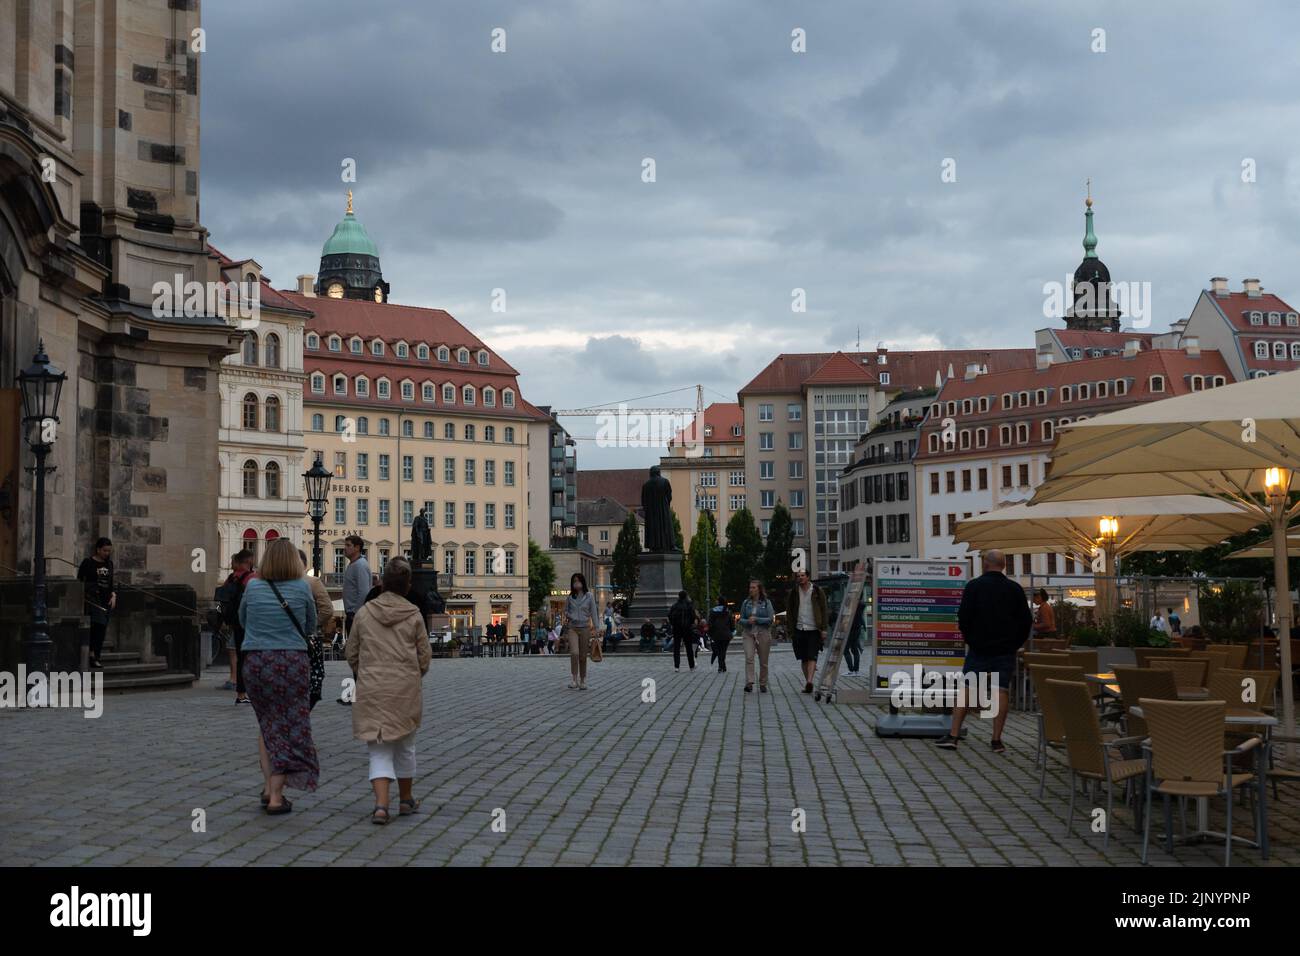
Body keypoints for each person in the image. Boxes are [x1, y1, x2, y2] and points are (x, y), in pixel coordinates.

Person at [345, 557, 431, 825]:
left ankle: (381, 806)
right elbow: (424, 656)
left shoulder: (365, 613)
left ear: (382, 583)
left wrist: (364, 673)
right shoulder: (414, 615)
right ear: (407, 586)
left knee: (378, 748)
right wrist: (414, 674)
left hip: (372, 687)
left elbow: (352, 652)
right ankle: (406, 799)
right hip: (404, 688)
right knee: (405, 745)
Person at [238, 539, 318, 814]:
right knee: (291, 725)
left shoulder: (253, 586)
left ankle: (267, 787)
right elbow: (310, 625)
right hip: (292, 661)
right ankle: (275, 796)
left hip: (257, 662)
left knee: (267, 725)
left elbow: (243, 620)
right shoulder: (302, 587)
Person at [936, 550, 1032, 754]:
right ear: (1004, 565)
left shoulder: (974, 586)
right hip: (1005, 650)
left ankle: (953, 735)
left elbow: (963, 617)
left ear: (985, 564)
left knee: (967, 689)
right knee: (1001, 690)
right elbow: (1025, 622)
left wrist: (971, 640)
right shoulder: (1014, 589)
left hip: (979, 648)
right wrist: (1013, 644)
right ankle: (997, 740)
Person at [215, 550, 256, 703]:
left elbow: (221, 601)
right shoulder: (252, 578)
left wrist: (222, 620)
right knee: (251, 658)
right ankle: (252, 691)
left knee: (240, 657)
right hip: (249, 623)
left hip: (234, 622)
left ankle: (241, 694)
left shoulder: (231, 578)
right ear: (248, 561)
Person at [339, 536, 371, 705]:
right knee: (355, 656)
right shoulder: (354, 565)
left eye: (348, 545)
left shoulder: (360, 566)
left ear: (357, 547)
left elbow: (364, 592)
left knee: (356, 656)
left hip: (356, 616)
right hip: (352, 614)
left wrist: (357, 614)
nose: (345, 548)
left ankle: (357, 694)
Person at [77, 537, 117, 670]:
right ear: (98, 549)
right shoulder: (88, 563)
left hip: (106, 600)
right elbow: (80, 580)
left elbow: (111, 583)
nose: (107, 553)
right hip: (93, 600)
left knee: (102, 629)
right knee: (97, 627)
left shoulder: (109, 564)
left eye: (109, 551)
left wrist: (113, 595)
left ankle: (96, 655)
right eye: (105, 550)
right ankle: (93, 656)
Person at [787, 570, 828, 693]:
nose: (800, 578)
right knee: (803, 658)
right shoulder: (794, 592)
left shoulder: (817, 591)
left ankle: (810, 681)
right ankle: (808, 683)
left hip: (814, 629)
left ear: (808, 577)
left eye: (802, 576)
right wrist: (790, 629)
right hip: (799, 628)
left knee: (812, 656)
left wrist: (824, 629)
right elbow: (789, 611)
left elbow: (824, 610)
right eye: (798, 576)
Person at [562, 573, 598, 689]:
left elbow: (593, 612)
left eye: (578, 581)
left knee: (583, 656)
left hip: (585, 628)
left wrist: (596, 628)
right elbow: (565, 610)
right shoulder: (570, 597)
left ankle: (582, 680)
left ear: (583, 582)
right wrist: (569, 615)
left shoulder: (589, 596)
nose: (576, 583)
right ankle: (574, 679)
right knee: (574, 653)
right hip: (573, 627)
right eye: (574, 581)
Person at [740, 579, 774, 692]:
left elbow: (770, 619)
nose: (751, 590)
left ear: (759, 589)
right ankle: (749, 682)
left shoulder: (766, 602)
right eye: (750, 587)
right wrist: (747, 622)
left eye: (754, 587)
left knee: (763, 661)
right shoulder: (746, 603)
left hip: (762, 633)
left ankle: (763, 683)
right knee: (749, 657)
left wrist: (757, 619)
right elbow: (741, 619)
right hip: (748, 633)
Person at [300, 550, 336, 643]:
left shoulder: (277, 583)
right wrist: (312, 624)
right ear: (304, 564)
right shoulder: (312, 582)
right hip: (306, 636)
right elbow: (327, 609)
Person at [669, 590, 697, 671]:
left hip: (677, 629)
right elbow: (693, 616)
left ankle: (676, 666)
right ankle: (691, 666)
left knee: (676, 648)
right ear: (686, 596)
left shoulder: (675, 605)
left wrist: (674, 624)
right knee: (689, 648)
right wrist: (690, 623)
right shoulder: (689, 606)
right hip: (687, 629)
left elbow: (670, 616)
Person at [708, 602, 732, 673]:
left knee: (719, 651)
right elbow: (732, 624)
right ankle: (722, 666)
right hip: (726, 634)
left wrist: (710, 634)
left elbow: (710, 624)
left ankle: (721, 667)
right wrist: (732, 632)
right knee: (723, 651)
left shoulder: (713, 612)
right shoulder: (727, 612)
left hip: (716, 634)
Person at [843, 599, 865, 674]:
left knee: (846, 650)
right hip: (857, 629)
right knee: (855, 650)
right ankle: (856, 669)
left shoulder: (853, 605)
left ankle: (851, 669)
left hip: (850, 629)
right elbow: (861, 617)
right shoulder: (861, 605)